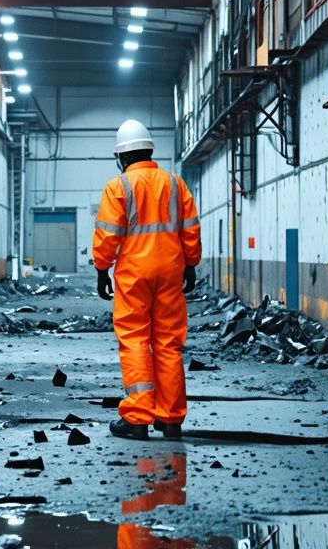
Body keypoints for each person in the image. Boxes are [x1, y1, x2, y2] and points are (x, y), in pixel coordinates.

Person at [92, 119, 201, 440]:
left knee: (135, 340)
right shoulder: (175, 184)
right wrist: (190, 263)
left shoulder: (119, 187)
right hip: (169, 272)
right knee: (168, 344)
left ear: (123, 158)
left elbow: (108, 234)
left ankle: (138, 417)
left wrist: (101, 268)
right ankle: (170, 418)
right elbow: (190, 228)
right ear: (149, 151)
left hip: (134, 275)